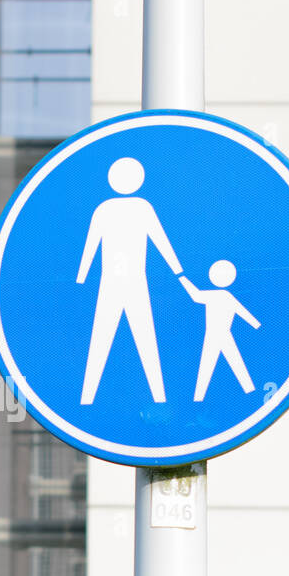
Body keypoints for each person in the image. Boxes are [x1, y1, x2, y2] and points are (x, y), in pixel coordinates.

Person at [75, 157, 184, 405]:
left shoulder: (106, 209)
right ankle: (158, 397)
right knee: (141, 337)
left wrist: (82, 278)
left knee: (107, 338)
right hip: (129, 283)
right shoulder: (140, 208)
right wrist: (178, 271)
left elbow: (91, 246)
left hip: (117, 283)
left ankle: (88, 398)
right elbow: (161, 241)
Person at [177, 260, 261, 401]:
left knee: (209, 365)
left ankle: (199, 397)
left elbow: (195, 295)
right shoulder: (225, 295)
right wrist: (255, 325)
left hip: (217, 335)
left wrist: (182, 278)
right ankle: (249, 391)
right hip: (220, 334)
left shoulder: (218, 295)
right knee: (232, 363)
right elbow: (242, 311)